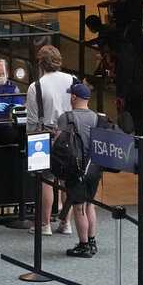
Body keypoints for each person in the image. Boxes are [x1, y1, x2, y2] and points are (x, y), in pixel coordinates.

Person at [26, 45, 75, 235]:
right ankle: (66, 223)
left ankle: (44, 224)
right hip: (70, 133)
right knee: (67, 179)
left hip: (43, 134)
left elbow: (31, 121)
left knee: (45, 179)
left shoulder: (35, 86)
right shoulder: (73, 80)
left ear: (40, 63)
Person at [57, 82, 103, 258]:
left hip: (75, 169)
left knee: (78, 208)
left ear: (74, 97)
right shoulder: (97, 118)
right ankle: (92, 241)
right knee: (90, 205)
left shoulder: (66, 117)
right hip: (94, 167)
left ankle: (83, 245)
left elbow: (59, 143)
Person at [0, 58, 24, 126]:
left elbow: (20, 105)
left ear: (7, 73)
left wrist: (17, 107)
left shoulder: (13, 87)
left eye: (3, 74)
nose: (1, 76)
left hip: (7, 124)